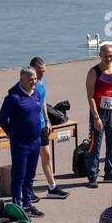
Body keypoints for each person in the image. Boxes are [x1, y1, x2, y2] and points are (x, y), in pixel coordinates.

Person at [0, 68, 45, 217]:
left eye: (35, 79)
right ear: (22, 80)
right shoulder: (13, 98)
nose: (34, 82)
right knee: (19, 175)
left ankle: (27, 204)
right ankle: (17, 206)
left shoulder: (36, 94)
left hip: (35, 141)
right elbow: (1, 120)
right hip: (20, 144)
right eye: (31, 80)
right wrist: (12, 133)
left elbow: (37, 112)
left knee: (30, 174)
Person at [85, 42, 112, 188]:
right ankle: (92, 175)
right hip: (99, 112)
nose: (109, 59)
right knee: (95, 145)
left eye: (111, 56)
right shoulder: (93, 72)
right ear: (100, 55)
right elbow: (90, 96)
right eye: (106, 56)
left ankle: (109, 172)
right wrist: (96, 117)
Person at [29, 56, 69, 201]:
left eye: (44, 71)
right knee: (31, 159)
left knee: (46, 155)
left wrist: (47, 120)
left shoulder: (42, 82)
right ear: (32, 70)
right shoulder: (26, 84)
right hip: (30, 126)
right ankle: (27, 190)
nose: (42, 74)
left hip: (41, 124)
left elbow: (43, 101)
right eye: (39, 71)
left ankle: (52, 188)